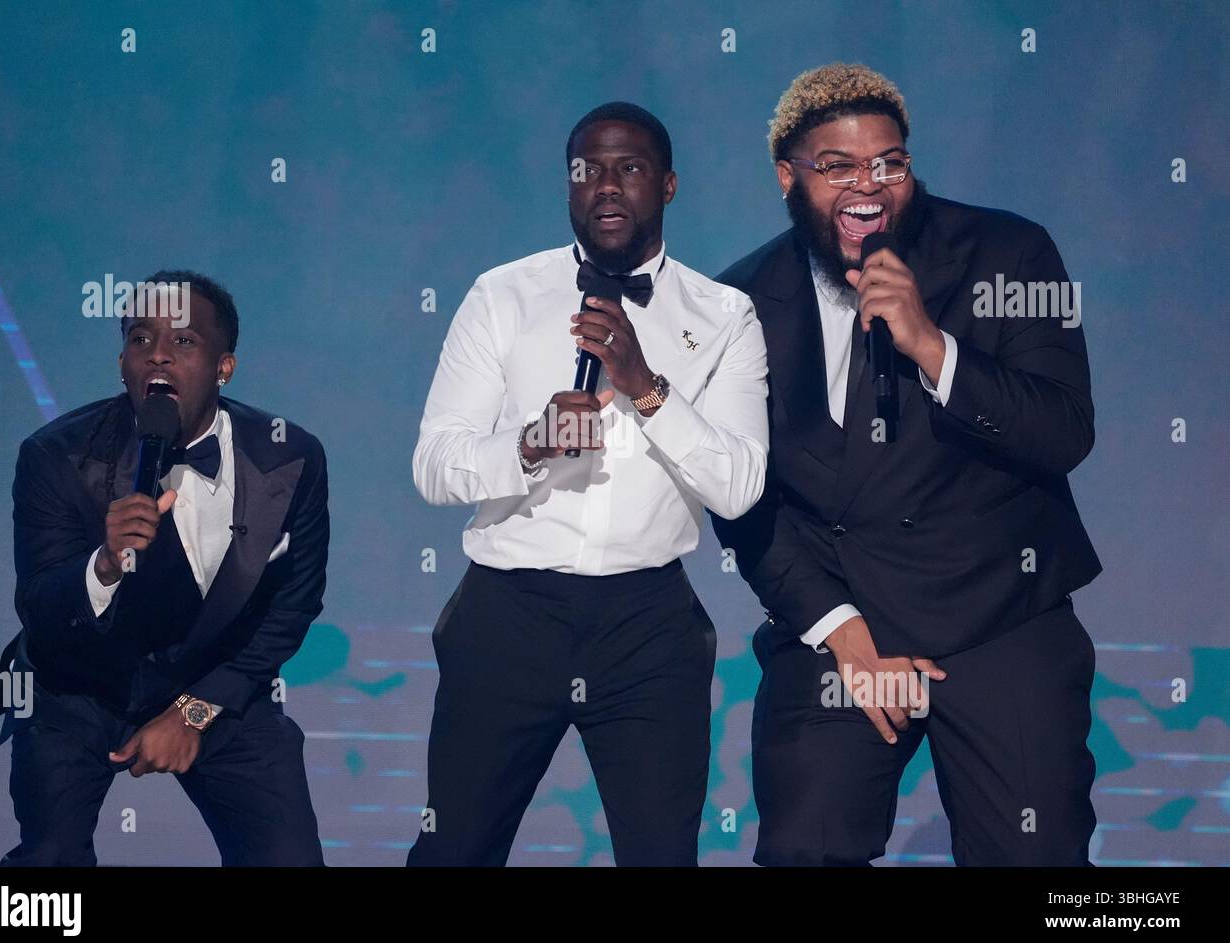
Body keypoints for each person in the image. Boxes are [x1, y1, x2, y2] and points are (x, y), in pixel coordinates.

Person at [712, 64, 1101, 866]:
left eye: (891, 162)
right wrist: (842, 634)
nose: (872, 185)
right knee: (804, 849)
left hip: (1001, 617)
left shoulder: (1010, 252)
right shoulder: (737, 304)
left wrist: (932, 346)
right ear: (788, 176)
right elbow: (742, 499)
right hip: (844, 631)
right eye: (841, 167)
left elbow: (1064, 430)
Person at [409, 102, 768, 865]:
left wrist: (646, 388)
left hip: (649, 625)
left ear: (667, 185)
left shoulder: (726, 315)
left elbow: (738, 486)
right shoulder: (501, 297)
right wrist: (529, 445)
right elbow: (434, 464)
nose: (607, 187)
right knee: (454, 851)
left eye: (629, 169)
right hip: (508, 613)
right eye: (588, 171)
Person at [0, 270, 328, 866]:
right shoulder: (55, 456)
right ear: (122, 361)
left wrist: (193, 711)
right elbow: (41, 608)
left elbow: (291, 607)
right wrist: (102, 564)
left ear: (224, 366)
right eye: (140, 340)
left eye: (184, 343)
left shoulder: (290, 459)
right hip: (75, 690)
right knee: (48, 868)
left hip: (213, 685)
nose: (159, 357)